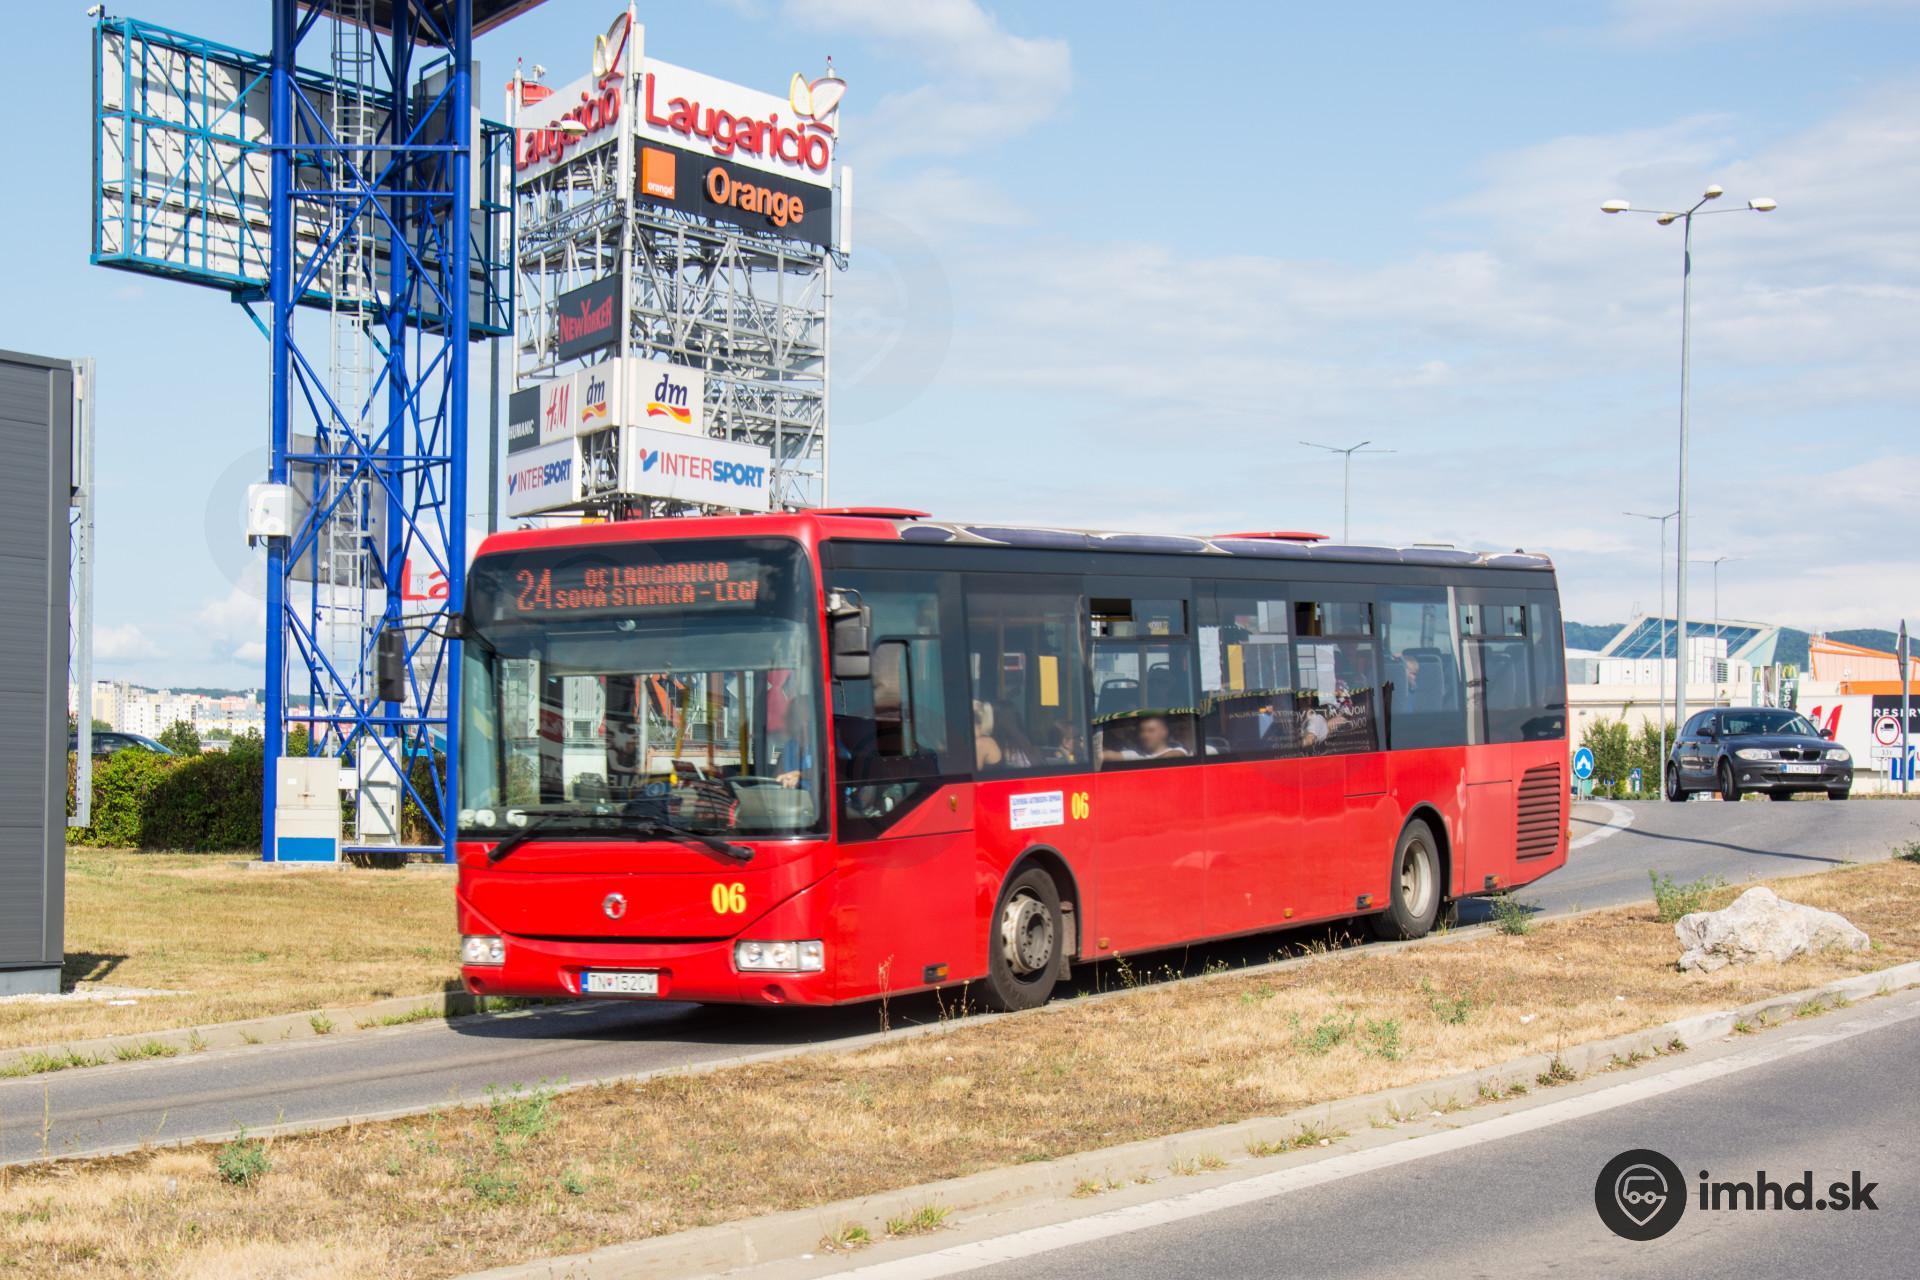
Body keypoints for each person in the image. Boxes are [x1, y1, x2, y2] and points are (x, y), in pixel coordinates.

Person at [771, 693, 817, 790]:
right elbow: (776, 778)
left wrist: (799, 775)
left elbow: (833, 771)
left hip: (822, 802)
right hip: (794, 800)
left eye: (807, 719)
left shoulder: (827, 742)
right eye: (797, 718)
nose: (803, 724)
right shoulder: (789, 746)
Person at [1101, 714, 1190, 762]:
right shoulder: (1136, 754)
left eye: (1151, 731)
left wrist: (1141, 763)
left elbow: (1176, 754)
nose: (1145, 735)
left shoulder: (1177, 749)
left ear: (1164, 732)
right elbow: (1106, 755)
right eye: (1142, 731)